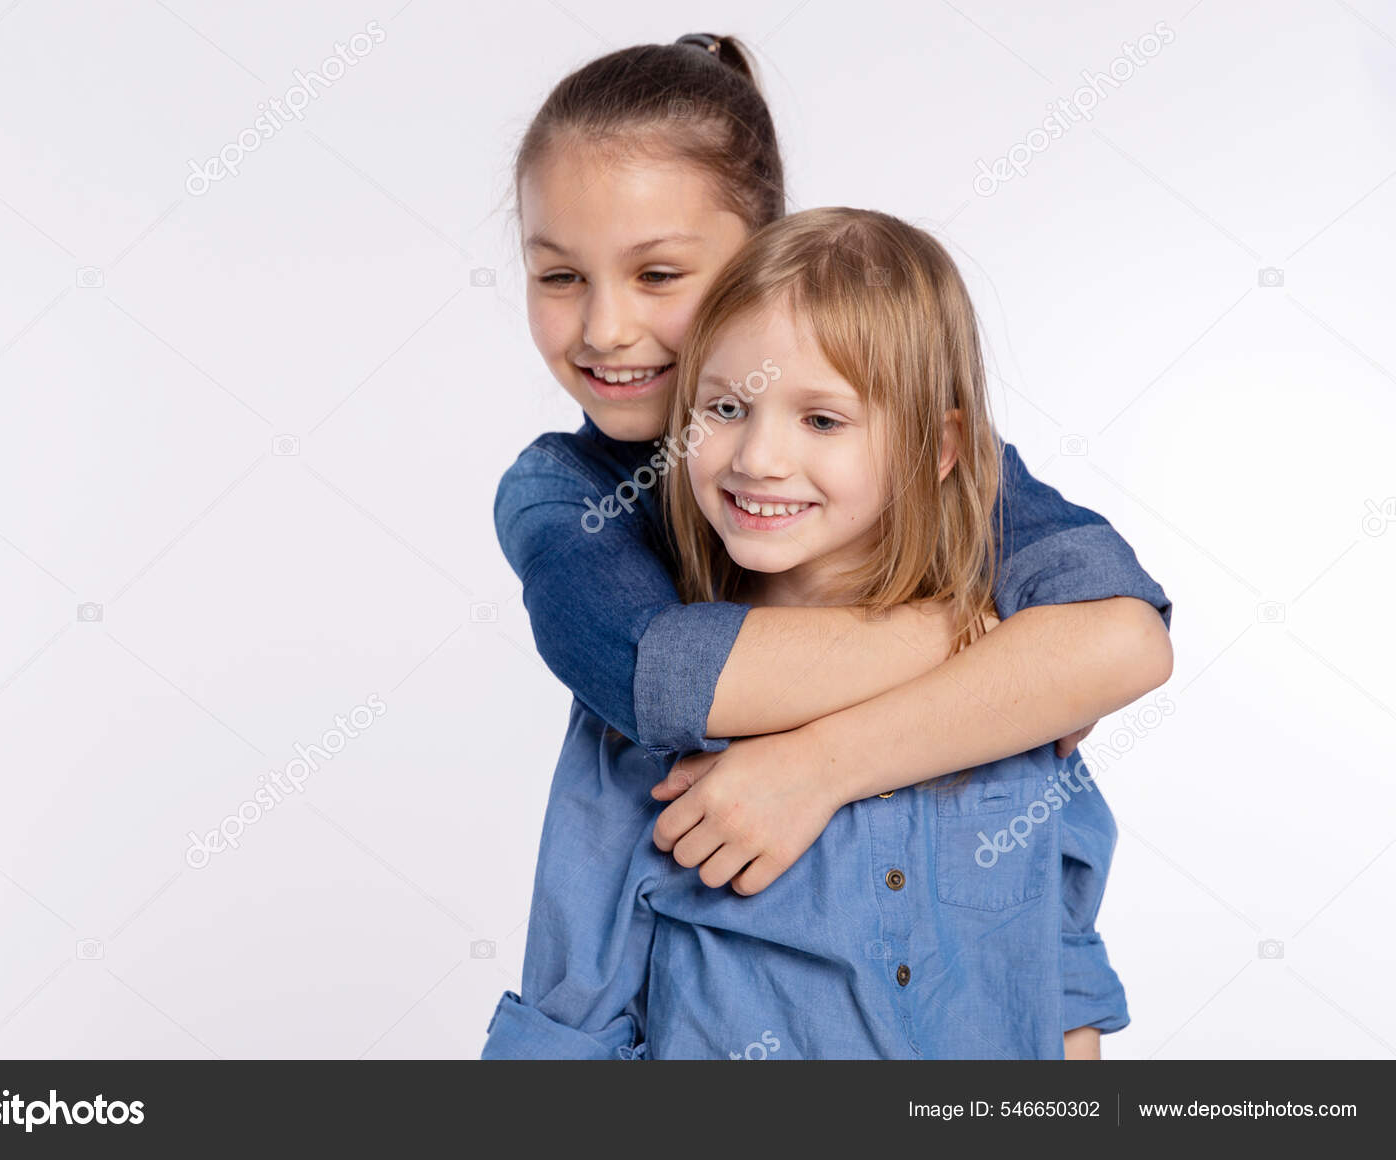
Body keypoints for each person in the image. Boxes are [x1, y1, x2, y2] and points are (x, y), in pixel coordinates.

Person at [482, 36, 1171, 1059]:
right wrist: (988, 646)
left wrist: (815, 766)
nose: (608, 327)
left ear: (763, 251)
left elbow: (1119, 646)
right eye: (558, 274)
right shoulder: (565, 492)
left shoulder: (937, 466)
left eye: (659, 272)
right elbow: (655, 675)